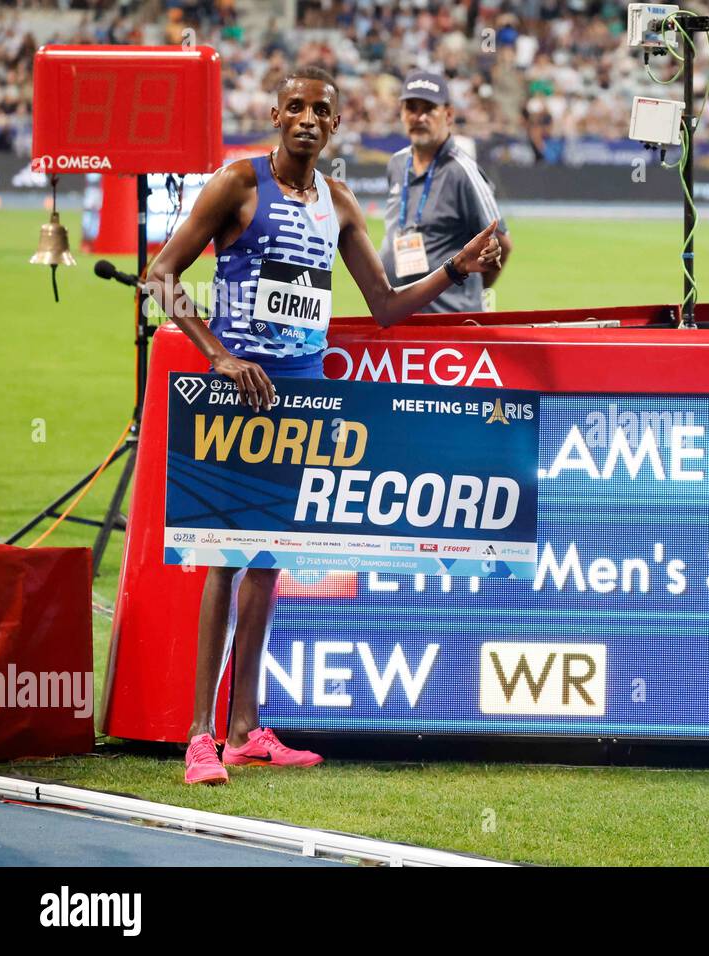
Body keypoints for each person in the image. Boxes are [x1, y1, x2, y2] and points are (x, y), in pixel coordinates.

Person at [144, 66, 502, 785]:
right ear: (276, 113)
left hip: (302, 400)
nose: (308, 119)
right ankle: (199, 735)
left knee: (269, 558)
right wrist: (217, 355)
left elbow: (386, 305)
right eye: (297, 108)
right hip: (238, 396)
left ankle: (245, 729)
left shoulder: (338, 203)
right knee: (225, 556)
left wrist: (455, 269)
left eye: (322, 112)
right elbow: (159, 274)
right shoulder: (237, 184)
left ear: (335, 126)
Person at [380, 70, 512, 311]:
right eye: (411, 108)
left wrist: (468, 299)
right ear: (401, 113)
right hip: (401, 315)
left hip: (449, 322)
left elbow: (502, 241)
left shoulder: (462, 171)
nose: (419, 117)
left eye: (428, 109)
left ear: (448, 114)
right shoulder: (397, 164)